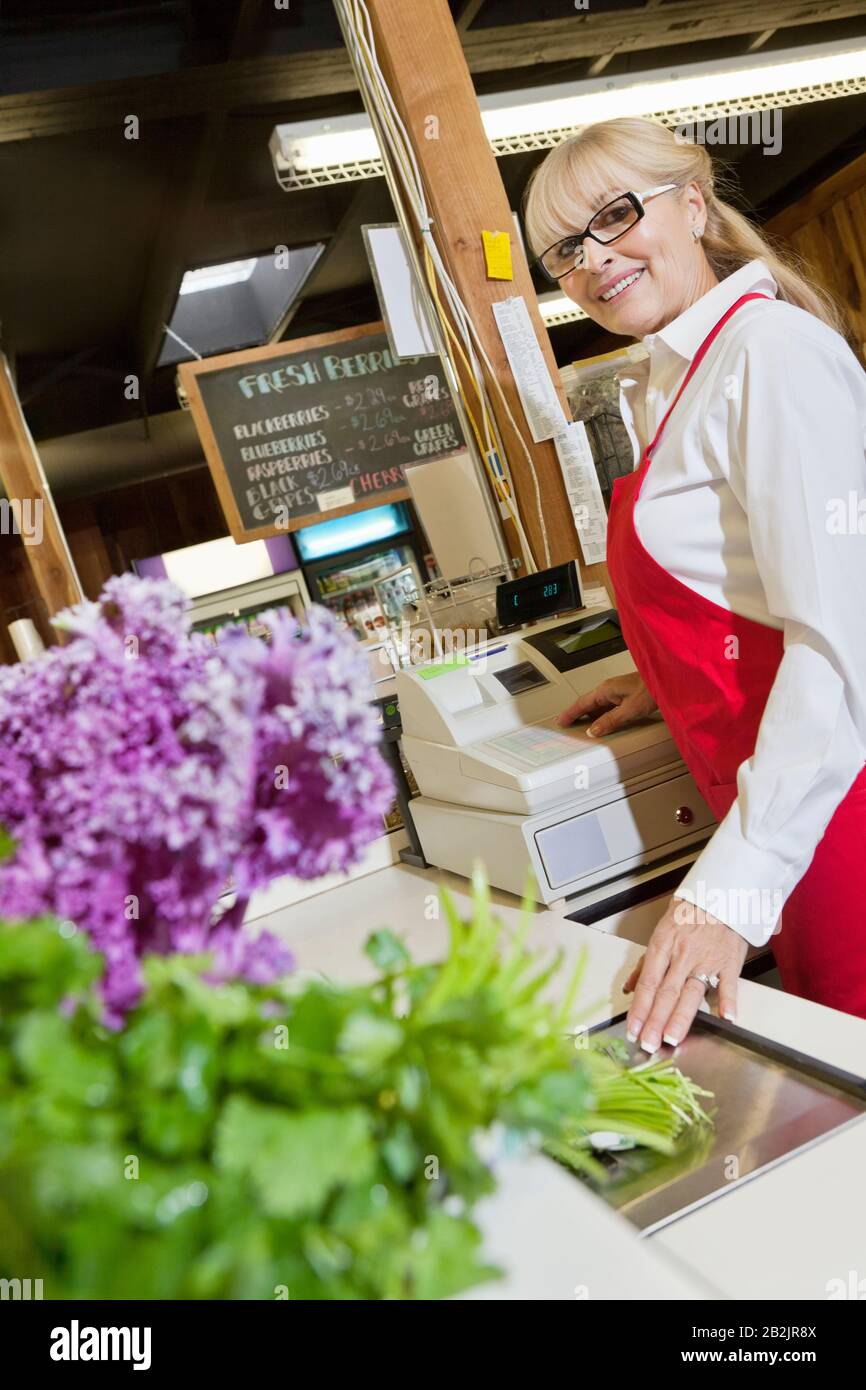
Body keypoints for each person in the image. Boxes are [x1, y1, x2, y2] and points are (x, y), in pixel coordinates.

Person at [523, 116, 866, 1051]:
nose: (593, 258)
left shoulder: (770, 358)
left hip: (838, 822)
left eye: (615, 215)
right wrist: (667, 677)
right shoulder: (679, 376)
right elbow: (752, 586)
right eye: (565, 248)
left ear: (693, 202)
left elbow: (841, 643)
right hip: (786, 815)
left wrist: (729, 889)